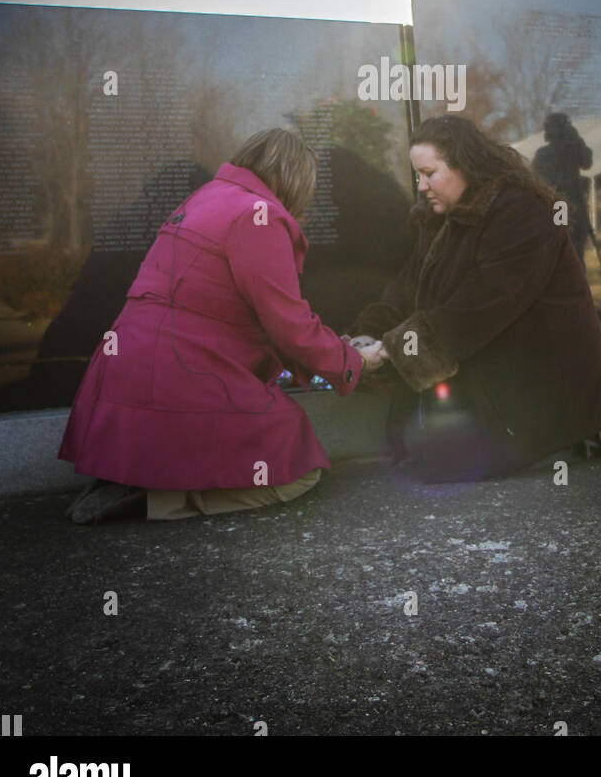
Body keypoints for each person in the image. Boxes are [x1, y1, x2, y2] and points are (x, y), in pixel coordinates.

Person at [59, 129, 384, 523]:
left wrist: (337, 350)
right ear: (291, 180)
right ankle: (158, 500)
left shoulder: (206, 197)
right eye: (308, 190)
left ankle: (137, 481)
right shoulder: (258, 217)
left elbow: (254, 313)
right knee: (298, 470)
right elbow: (289, 325)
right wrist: (357, 362)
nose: (307, 204)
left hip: (133, 365)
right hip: (185, 372)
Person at [350, 116, 601, 483]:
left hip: (543, 390)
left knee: (431, 455)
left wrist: (389, 352)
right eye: (417, 175)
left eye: (429, 173)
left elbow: (475, 312)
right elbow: (407, 288)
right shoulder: (442, 216)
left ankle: (572, 442)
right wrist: (365, 335)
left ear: (465, 164)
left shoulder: (523, 213)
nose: (421, 186)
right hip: (493, 374)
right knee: (413, 444)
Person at [531, 111, 594, 267]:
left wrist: (576, 141)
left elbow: (586, 162)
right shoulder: (546, 153)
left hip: (567, 203)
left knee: (571, 246)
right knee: (566, 246)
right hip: (563, 203)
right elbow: (586, 162)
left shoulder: (566, 150)